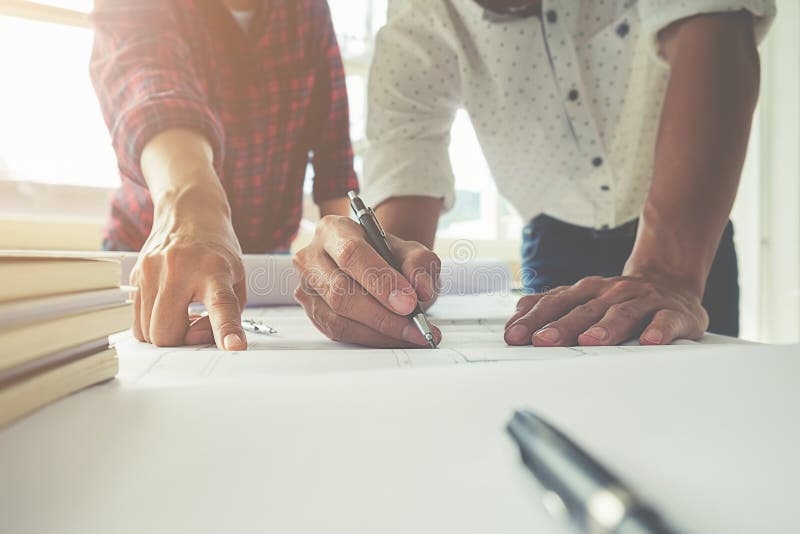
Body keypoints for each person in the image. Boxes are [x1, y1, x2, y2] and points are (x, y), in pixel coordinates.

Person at [294, 0, 776, 348]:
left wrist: (669, 270)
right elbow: (402, 230)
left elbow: (717, 27)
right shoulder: (415, 29)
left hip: (689, 235)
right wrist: (378, 272)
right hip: (554, 243)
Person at [90, 0, 358, 350]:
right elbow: (151, 88)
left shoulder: (309, 9)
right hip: (149, 263)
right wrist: (190, 202)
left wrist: (344, 261)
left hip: (265, 267)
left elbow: (333, 151)